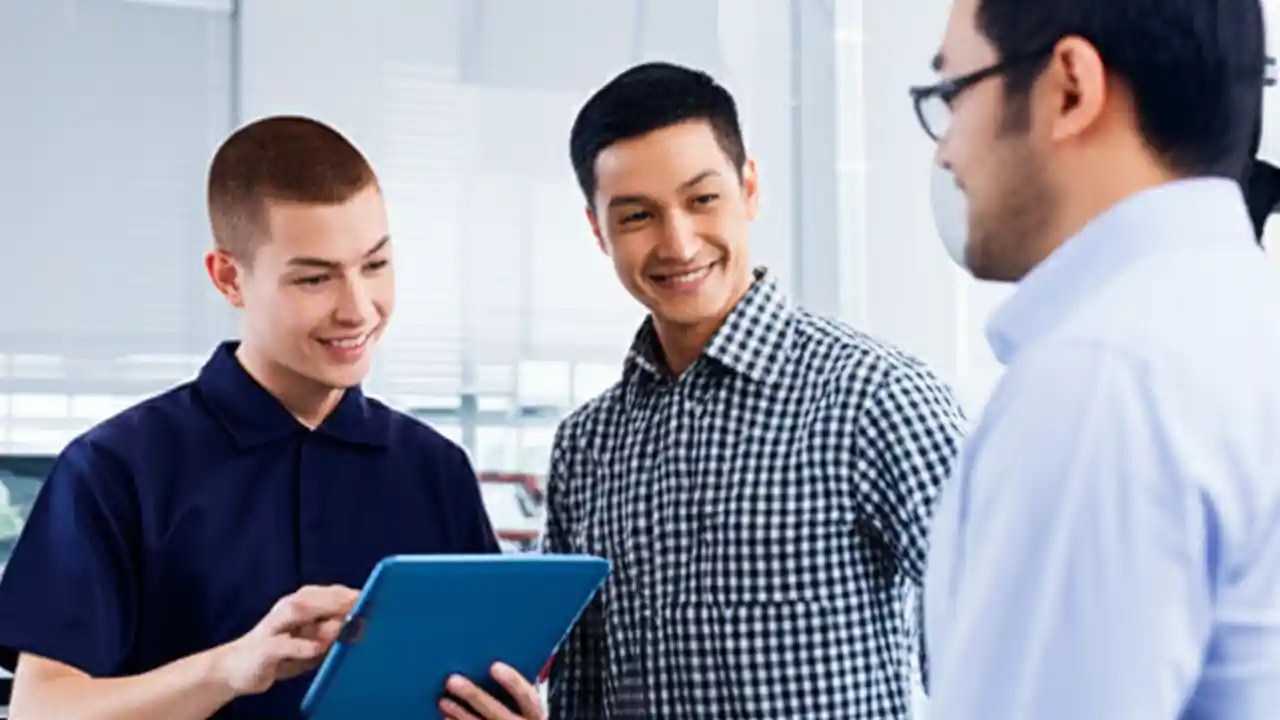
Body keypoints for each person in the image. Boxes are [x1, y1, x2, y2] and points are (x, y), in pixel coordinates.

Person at [447, 62, 966, 719]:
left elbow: (1002, 643)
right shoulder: (586, 446)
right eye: (637, 216)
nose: (678, 242)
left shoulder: (876, 399)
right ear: (597, 230)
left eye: (702, 199)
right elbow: (582, 695)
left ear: (749, 188)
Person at [0, 116, 510, 719]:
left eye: (374, 266)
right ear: (228, 278)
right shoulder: (117, 468)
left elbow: (470, 682)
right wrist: (230, 668)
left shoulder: (436, 470)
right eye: (315, 278)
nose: (357, 309)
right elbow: (42, 709)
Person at [914, 0, 1280, 717]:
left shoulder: (1101, 381)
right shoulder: (1244, 321)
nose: (945, 151)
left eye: (954, 94)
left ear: (1070, 88)